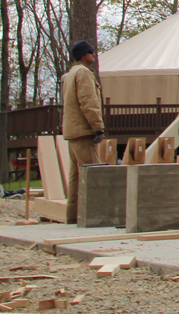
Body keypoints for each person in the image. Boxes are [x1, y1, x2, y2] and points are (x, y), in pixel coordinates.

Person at [61, 41, 105, 224]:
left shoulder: (70, 74)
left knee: (76, 178)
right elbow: (88, 102)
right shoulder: (84, 73)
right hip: (83, 131)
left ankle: (73, 216)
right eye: (90, 52)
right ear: (82, 55)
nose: (93, 55)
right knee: (93, 176)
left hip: (72, 132)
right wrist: (98, 126)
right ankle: (94, 217)